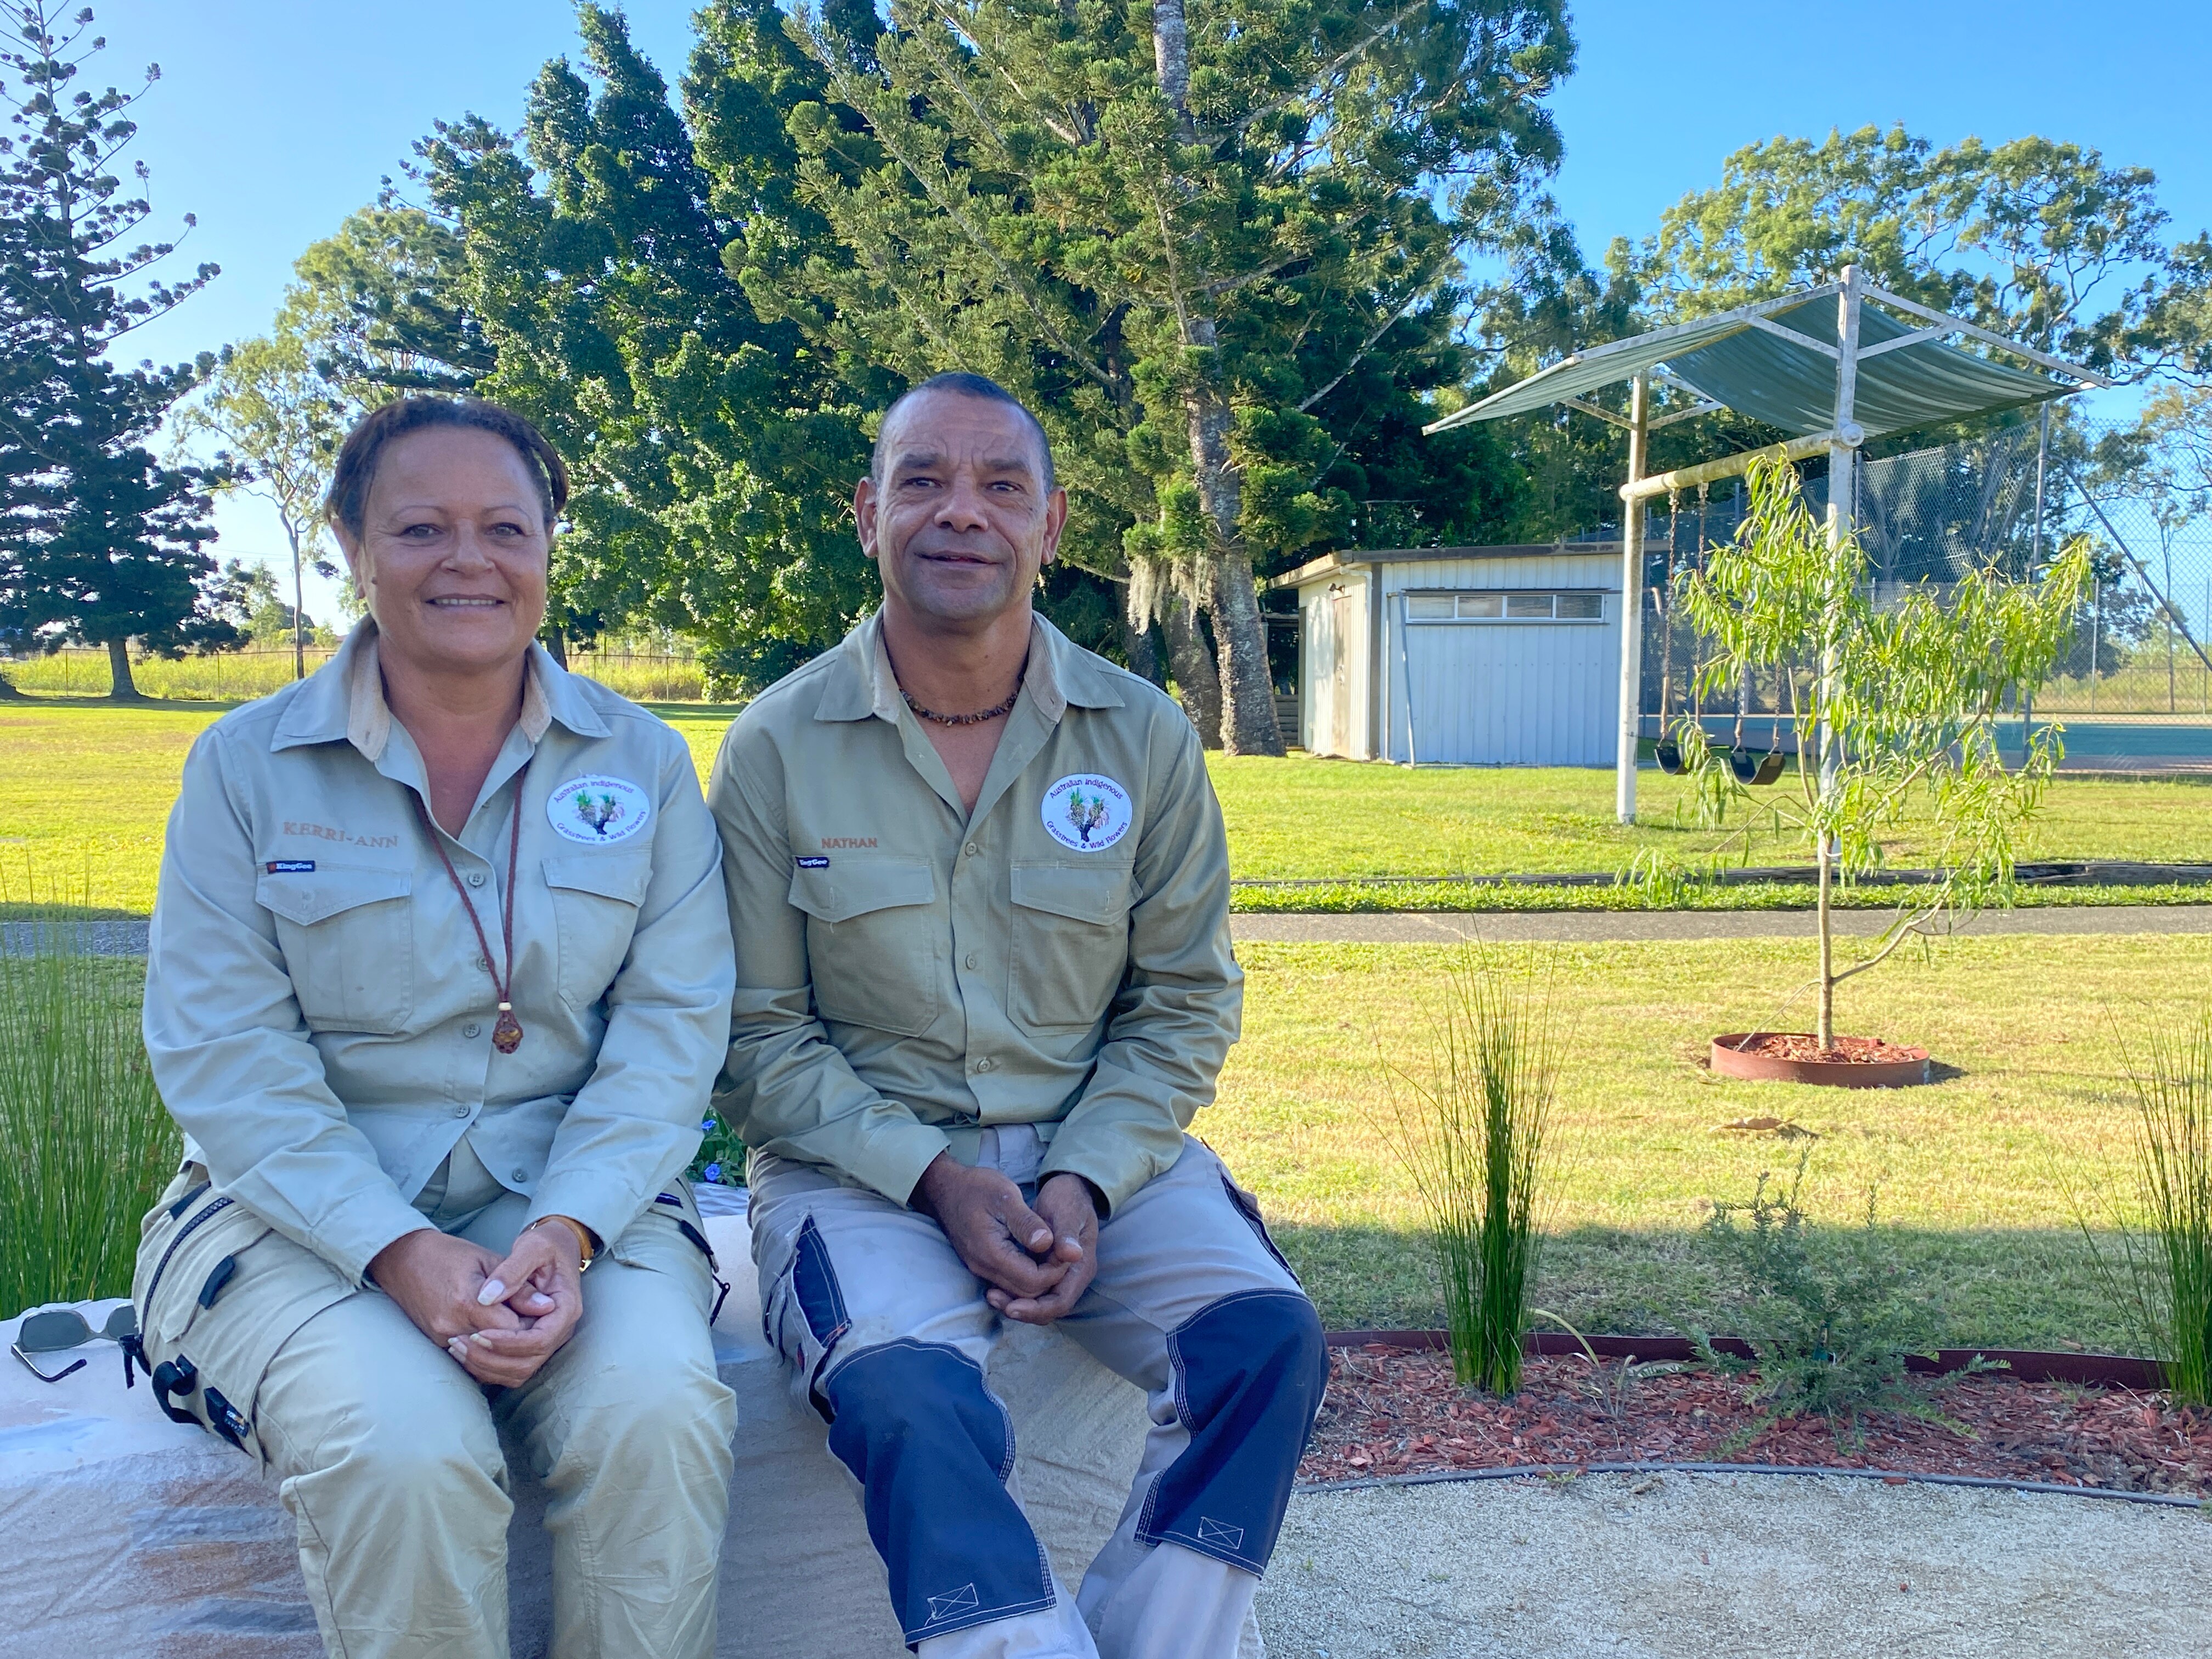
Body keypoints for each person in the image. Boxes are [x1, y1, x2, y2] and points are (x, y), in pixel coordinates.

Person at [710, 371, 1326, 1658]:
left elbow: (1183, 1001)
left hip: (1101, 1154)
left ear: (1051, 529)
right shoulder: (776, 745)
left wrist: (1089, 1182)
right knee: (904, 1401)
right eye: (923, 481)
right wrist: (937, 1181)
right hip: (862, 1170)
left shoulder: (1143, 736)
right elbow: (755, 1036)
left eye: (1003, 485)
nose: (961, 514)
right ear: (867, 512)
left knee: (1265, 1346)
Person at [133, 397, 740, 1659]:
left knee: (659, 1413)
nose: (469, 560)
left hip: (583, 1209)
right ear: (354, 545)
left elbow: (673, 1034)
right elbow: (225, 1059)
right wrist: (398, 1250)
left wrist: (567, 1233)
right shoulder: (244, 771)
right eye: (421, 527)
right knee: (405, 1449)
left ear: (549, 547)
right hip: (299, 1219)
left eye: (505, 527)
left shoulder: (646, 765)